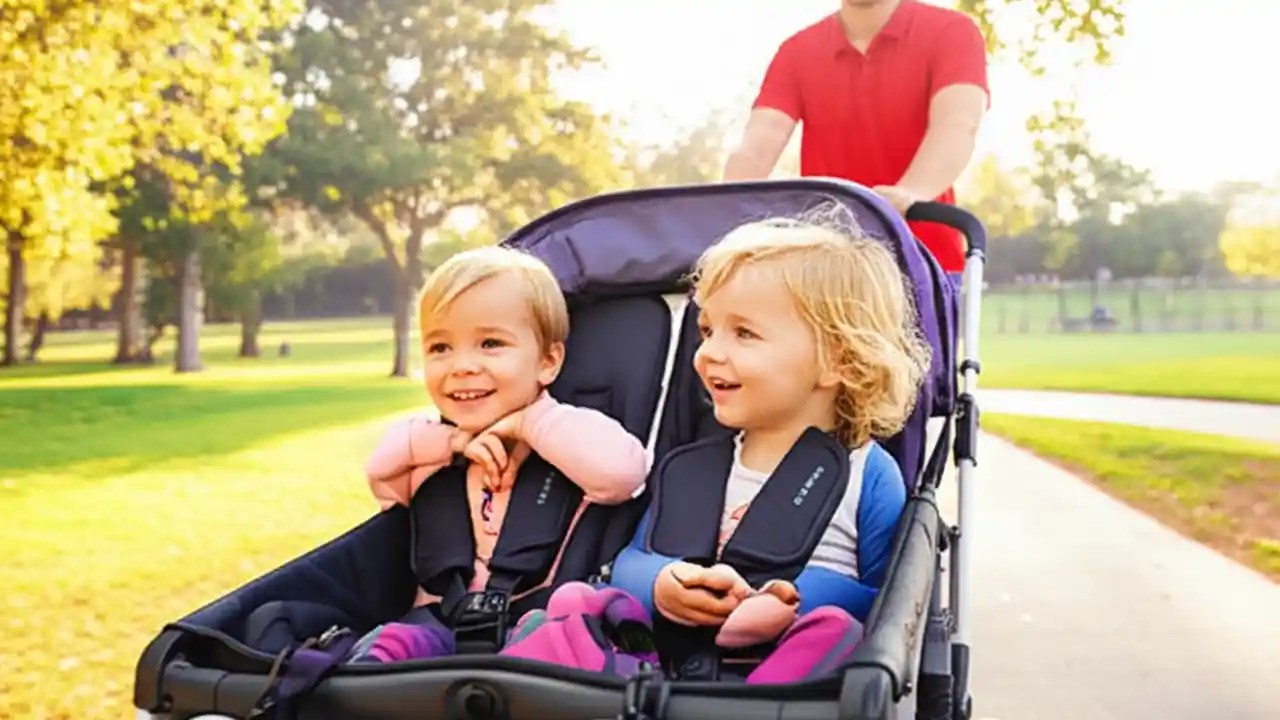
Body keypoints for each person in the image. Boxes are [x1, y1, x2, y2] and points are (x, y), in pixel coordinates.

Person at [498, 207, 932, 684]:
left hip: (786, 660)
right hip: (662, 658)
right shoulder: (690, 469)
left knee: (840, 632)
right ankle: (560, 681)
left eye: (743, 333)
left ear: (838, 361)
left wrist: (786, 600)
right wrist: (663, 585)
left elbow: (887, 595)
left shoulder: (867, 472)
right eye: (707, 331)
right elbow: (632, 560)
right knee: (575, 601)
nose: (707, 354)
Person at [345, 245, 649, 663]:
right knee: (398, 638)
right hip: (437, 628)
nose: (461, 365)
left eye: (490, 343)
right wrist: (456, 442)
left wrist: (527, 424)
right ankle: (371, 676)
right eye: (440, 348)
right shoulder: (430, 454)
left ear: (547, 361)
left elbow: (623, 474)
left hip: (541, 625)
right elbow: (380, 471)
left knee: (571, 621)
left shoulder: (572, 431)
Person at [723, 0, 989, 288]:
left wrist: (908, 194)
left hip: (922, 263)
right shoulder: (798, 50)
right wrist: (725, 212)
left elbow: (957, 124)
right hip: (826, 266)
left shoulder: (951, 32)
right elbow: (758, 143)